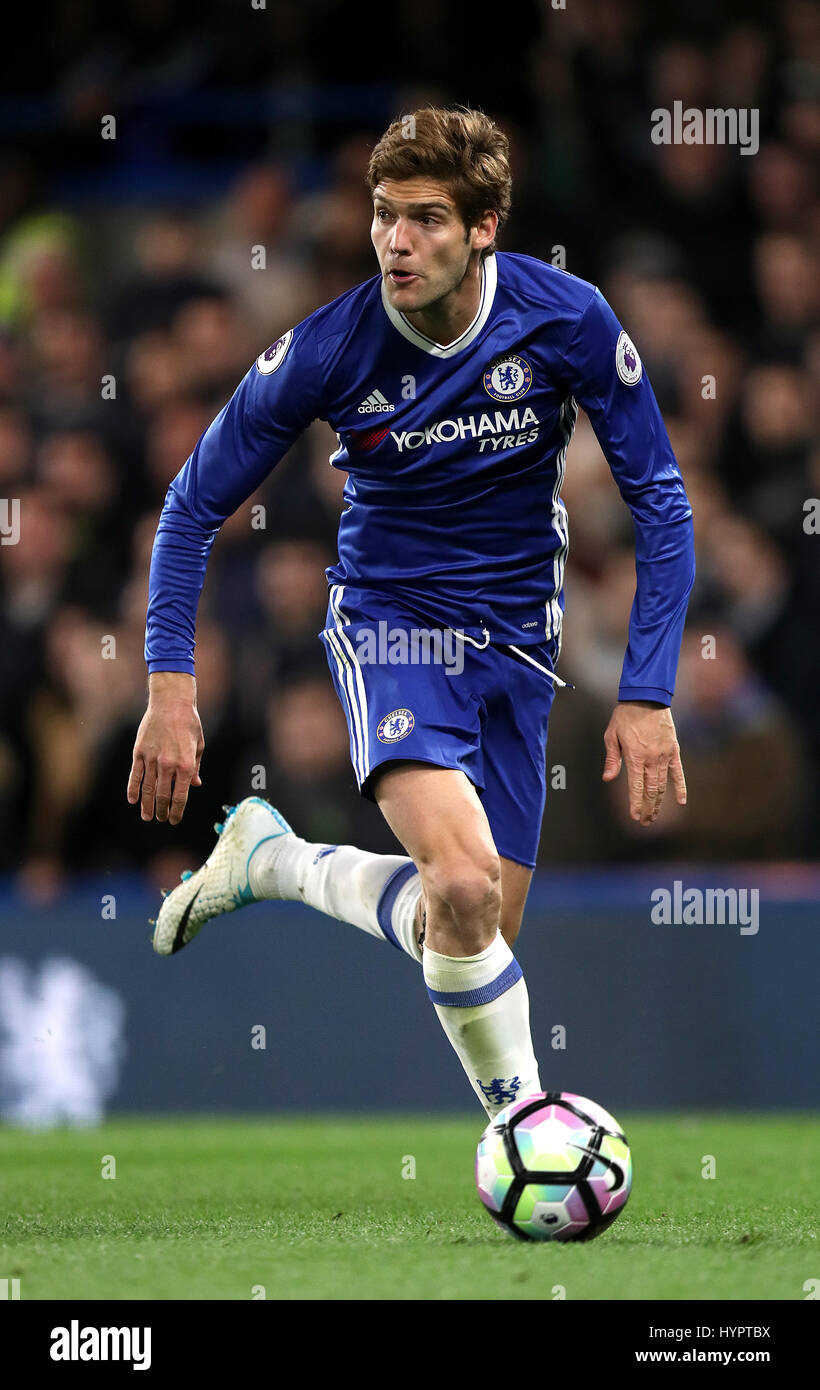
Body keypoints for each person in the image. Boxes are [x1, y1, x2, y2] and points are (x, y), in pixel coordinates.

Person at [128, 107, 694, 1120]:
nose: (397, 240)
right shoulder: (331, 346)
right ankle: (526, 1127)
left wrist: (647, 692)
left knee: (470, 927)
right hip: (394, 628)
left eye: (427, 219)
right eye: (385, 215)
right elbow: (192, 504)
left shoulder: (565, 319)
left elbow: (658, 498)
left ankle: (276, 861)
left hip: (522, 642)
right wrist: (171, 684)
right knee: (463, 885)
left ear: (483, 228)